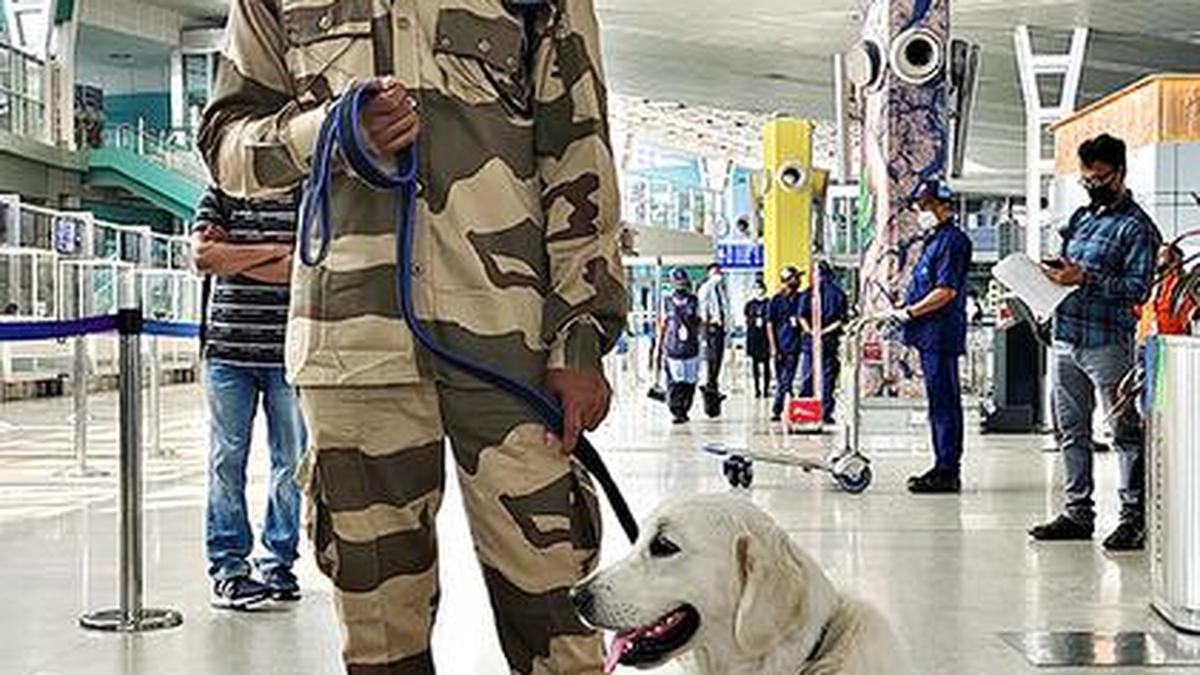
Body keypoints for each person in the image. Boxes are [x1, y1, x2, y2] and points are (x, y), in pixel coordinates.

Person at [199, 1, 626, 671]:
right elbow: (225, 146)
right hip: (352, 347)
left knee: (558, 624)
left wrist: (580, 335)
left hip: (512, 349)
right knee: (380, 638)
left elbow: (580, 151)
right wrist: (328, 132)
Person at [1029, 134, 1160, 552]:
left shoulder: (1136, 227)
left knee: (1124, 432)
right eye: (1086, 179)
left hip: (1107, 344)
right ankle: (1077, 512)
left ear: (1119, 173)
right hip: (1066, 339)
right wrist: (1050, 279)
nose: (1092, 185)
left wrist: (1085, 278)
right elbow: (1068, 272)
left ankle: (1133, 518)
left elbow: (1138, 290)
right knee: (1072, 431)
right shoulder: (1082, 219)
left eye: (1099, 178)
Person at [191, 187, 305, 609]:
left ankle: (278, 563)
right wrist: (275, 249)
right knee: (226, 461)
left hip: (288, 355)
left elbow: (301, 268)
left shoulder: (304, 192)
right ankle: (229, 570)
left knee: (291, 462)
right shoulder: (220, 193)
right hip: (226, 353)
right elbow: (204, 259)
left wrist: (236, 254)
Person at [884, 179, 972, 494]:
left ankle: (948, 470)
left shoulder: (952, 242)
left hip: (941, 333)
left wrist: (910, 313)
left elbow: (945, 292)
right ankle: (942, 464)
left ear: (941, 205)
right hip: (929, 334)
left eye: (924, 206)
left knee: (945, 402)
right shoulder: (934, 241)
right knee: (938, 403)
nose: (921, 212)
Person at [798, 261, 848, 424]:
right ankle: (825, 413)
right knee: (828, 377)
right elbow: (841, 320)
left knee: (808, 375)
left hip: (810, 342)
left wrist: (812, 332)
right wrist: (824, 332)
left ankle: (805, 411)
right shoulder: (839, 294)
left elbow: (801, 317)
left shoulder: (809, 293)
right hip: (829, 341)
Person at [658, 267, 702, 424]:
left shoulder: (694, 301)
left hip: (691, 347)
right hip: (673, 348)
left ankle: (685, 408)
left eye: (682, 281)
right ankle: (677, 411)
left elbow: (700, 322)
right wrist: (658, 348)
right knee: (676, 381)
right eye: (677, 281)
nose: (680, 285)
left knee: (690, 381)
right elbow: (662, 325)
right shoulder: (667, 302)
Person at [1136, 243, 1195, 345]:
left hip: (1173, 343)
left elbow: (1190, 314)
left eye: (1163, 255)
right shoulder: (1152, 282)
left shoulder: (1185, 285)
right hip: (1146, 341)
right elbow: (1139, 310)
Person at [768, 266, 805, 423]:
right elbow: (769, 325)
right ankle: (783, 405)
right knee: (782, 380)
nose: (798, 281)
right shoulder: (776, 300)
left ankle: (778, 408)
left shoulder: (801, 298)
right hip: (780, 346)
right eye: (794, 278)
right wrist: (773, 348)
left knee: (787, 379)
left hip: (794, 345)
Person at [697, 262, 731, 416]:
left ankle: (714, 389)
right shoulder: (706, 288)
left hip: (720, 330)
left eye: (720, 271)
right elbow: (703, 306)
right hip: (710, 329)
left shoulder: (720, 290)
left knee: (717, 362)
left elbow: (724, 308)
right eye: (715, 271)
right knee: (711, 362)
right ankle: (710, 395)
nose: (719, 274)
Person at [744, 279, 772, 398]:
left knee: (766, 365)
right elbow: (746, 318)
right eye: (756, 288)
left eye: (760, 288)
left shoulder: (768, 303)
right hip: (754, 336)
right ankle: (756, 389)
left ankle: (766, 388)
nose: (758, 290)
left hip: (765, 336)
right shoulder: (750, 304)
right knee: (754, 364)